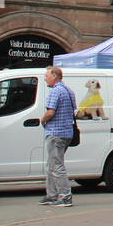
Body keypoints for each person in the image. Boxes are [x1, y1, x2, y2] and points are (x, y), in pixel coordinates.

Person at [39, 66, 76, 207]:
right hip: (67, 132)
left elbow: (50, 112)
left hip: (56, 132)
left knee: (56, 165)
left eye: (47, 75)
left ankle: (65, 196)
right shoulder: (69, 91)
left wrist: (42, 120)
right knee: (51, 165)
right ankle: (52, 195)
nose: (45, 78)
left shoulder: (55, 91)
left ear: (54, 76)